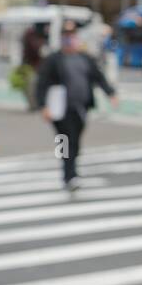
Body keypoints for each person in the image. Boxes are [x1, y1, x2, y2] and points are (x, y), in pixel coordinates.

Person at [36, 20, 118, 191]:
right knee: (65, 140)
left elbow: (98, 77)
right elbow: (42, 84)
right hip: (61, 109)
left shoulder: (85, 58)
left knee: (74, 141)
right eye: (66, 36)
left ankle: (70, 169)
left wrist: (110, 93)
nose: (69, 39)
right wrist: (43, 106)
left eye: (72, 36)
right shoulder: (54, 60)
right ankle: (68, 174)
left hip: (81, 107)